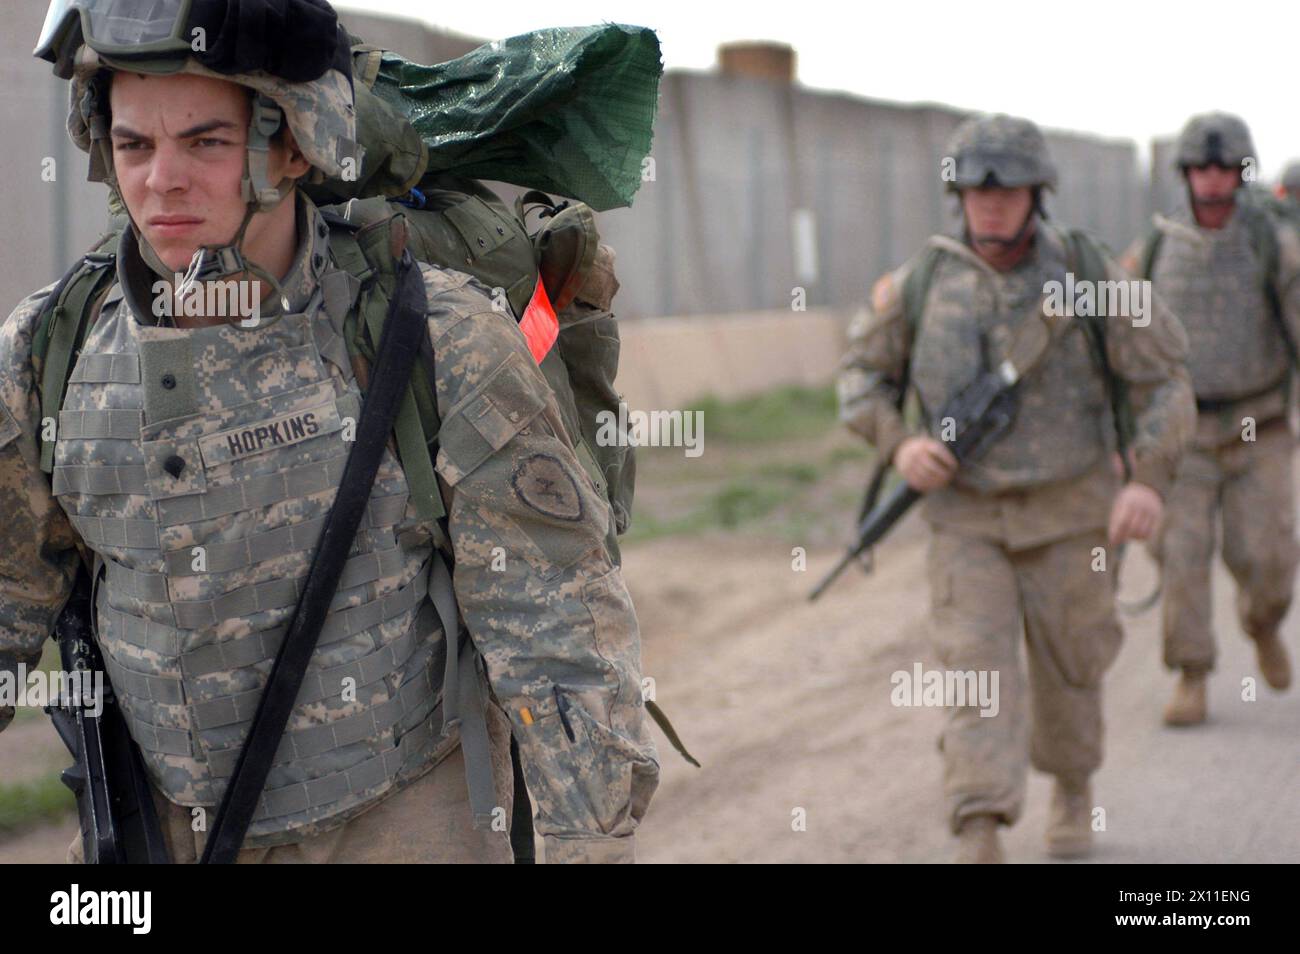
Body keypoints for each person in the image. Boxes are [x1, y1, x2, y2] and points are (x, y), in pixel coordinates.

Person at [0, 0, 657, 864]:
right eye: (133, 144)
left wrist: (590, 845)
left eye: (205, 142)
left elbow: (556, 628)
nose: (161, 180)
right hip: (156, 837)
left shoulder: (434, 335)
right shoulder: (51, 351)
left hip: (404, 826)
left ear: (295, 141)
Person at [837, 113, 1194, 862]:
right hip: (967, 522)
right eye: (975, 190)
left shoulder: (1092, 279)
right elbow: (859, 379)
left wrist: (1150, 479)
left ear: (1040, 194)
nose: (991, 204)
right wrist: (900, 445)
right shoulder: (920, 284)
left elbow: (1165, 379)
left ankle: (1072, 789)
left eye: (1009, 189)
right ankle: (980, 824)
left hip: (1074, 515)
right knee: (973, 671)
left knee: (1072, 666)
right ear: (957, 196)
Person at [1122, 112, 1298, 727]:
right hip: (1183, 432)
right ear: (1186, 173)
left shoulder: (1273, 243)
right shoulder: (1156, 247)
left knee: (1271, 557)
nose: (1214, 179)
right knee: (1182, 552)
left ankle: (1263, 622)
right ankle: (1192, 673)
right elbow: (1123, 341)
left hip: (1261, 424)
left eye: (1225, 167)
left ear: (1241, 172)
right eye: (1203, 166)